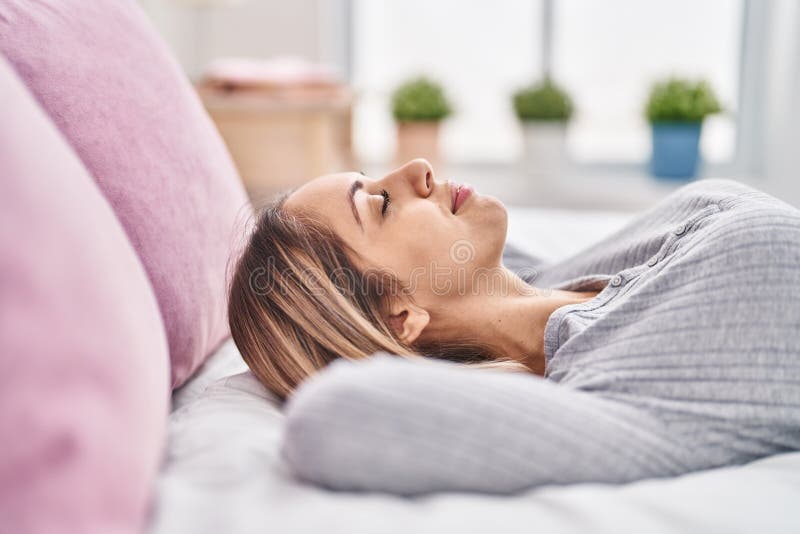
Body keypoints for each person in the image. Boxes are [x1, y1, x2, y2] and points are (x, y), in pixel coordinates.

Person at [227, 159, 800, 495]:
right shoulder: (610, 383)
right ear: (400, 318)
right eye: (379, 205)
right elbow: (332, 418)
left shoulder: (552, 276)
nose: (418, 170)